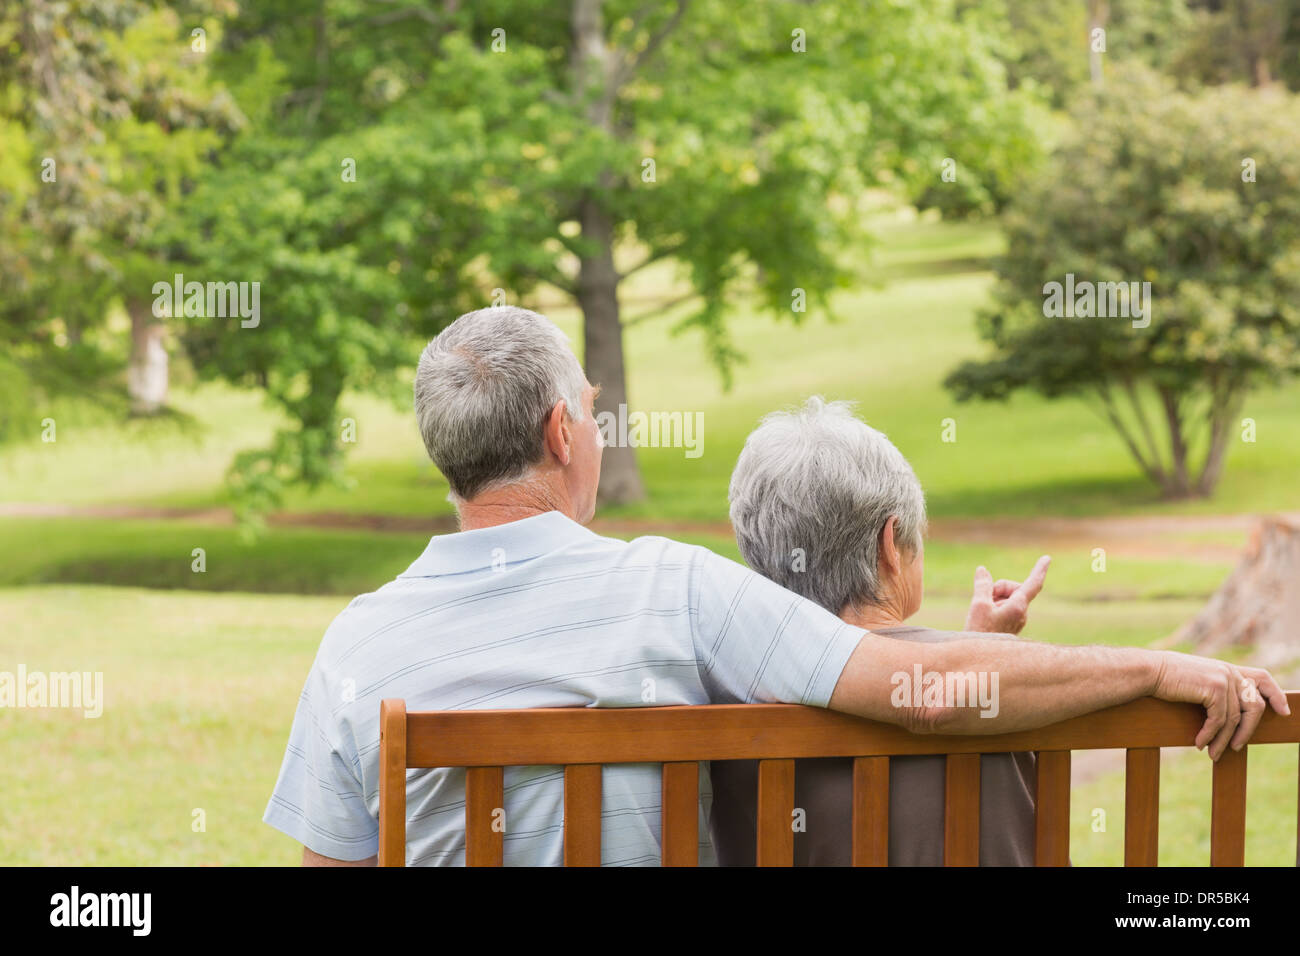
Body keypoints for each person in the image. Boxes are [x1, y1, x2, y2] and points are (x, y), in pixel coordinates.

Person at [263, 306, 1288, 866]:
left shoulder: (355, 644)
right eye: (592, 409)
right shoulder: (670, 588)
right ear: (561, 434)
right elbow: (912, 687)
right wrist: (1158, 661)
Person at [711, 396, 1049, 865]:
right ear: (890, 544)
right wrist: (980, 650)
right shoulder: (1003, 696)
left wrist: (976, 643)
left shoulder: (727, 701)